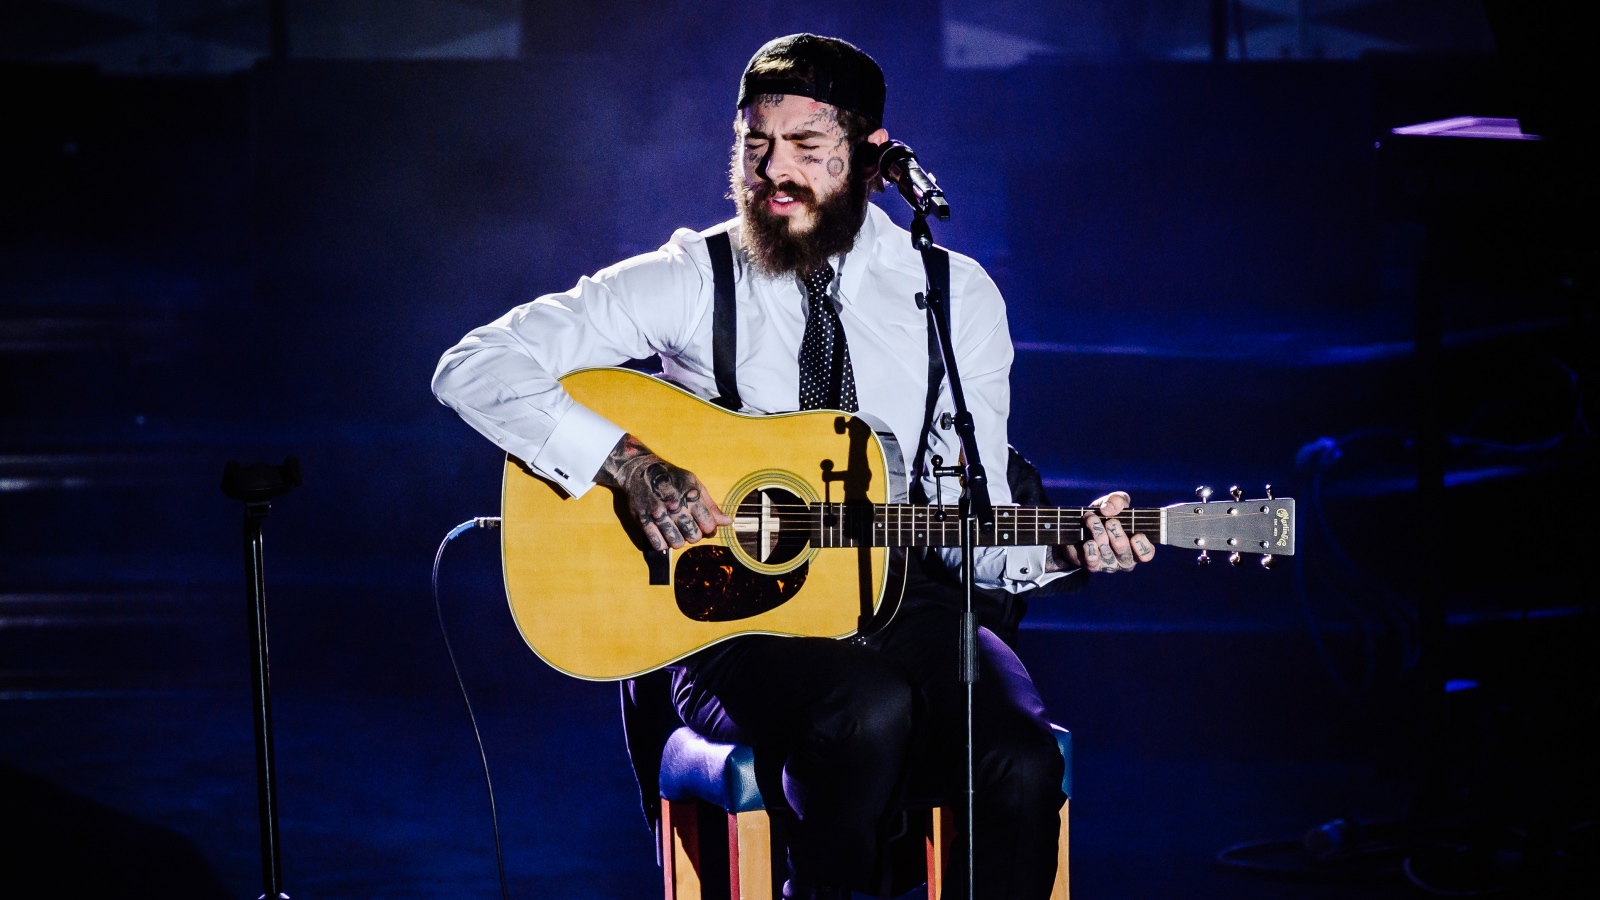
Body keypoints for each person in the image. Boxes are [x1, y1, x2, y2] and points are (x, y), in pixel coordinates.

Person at [433, 33, 1155, 900]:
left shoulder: (954, 296)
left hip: (902, 596)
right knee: (864, 710)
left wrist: (1067, 550)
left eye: (807, 149)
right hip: (730, 616)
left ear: (874, 159)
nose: (774, 172)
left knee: (1022, 759)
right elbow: (474, 364)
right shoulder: (694, 275)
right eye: (754, 145)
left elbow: (979, 527)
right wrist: (625, 462)